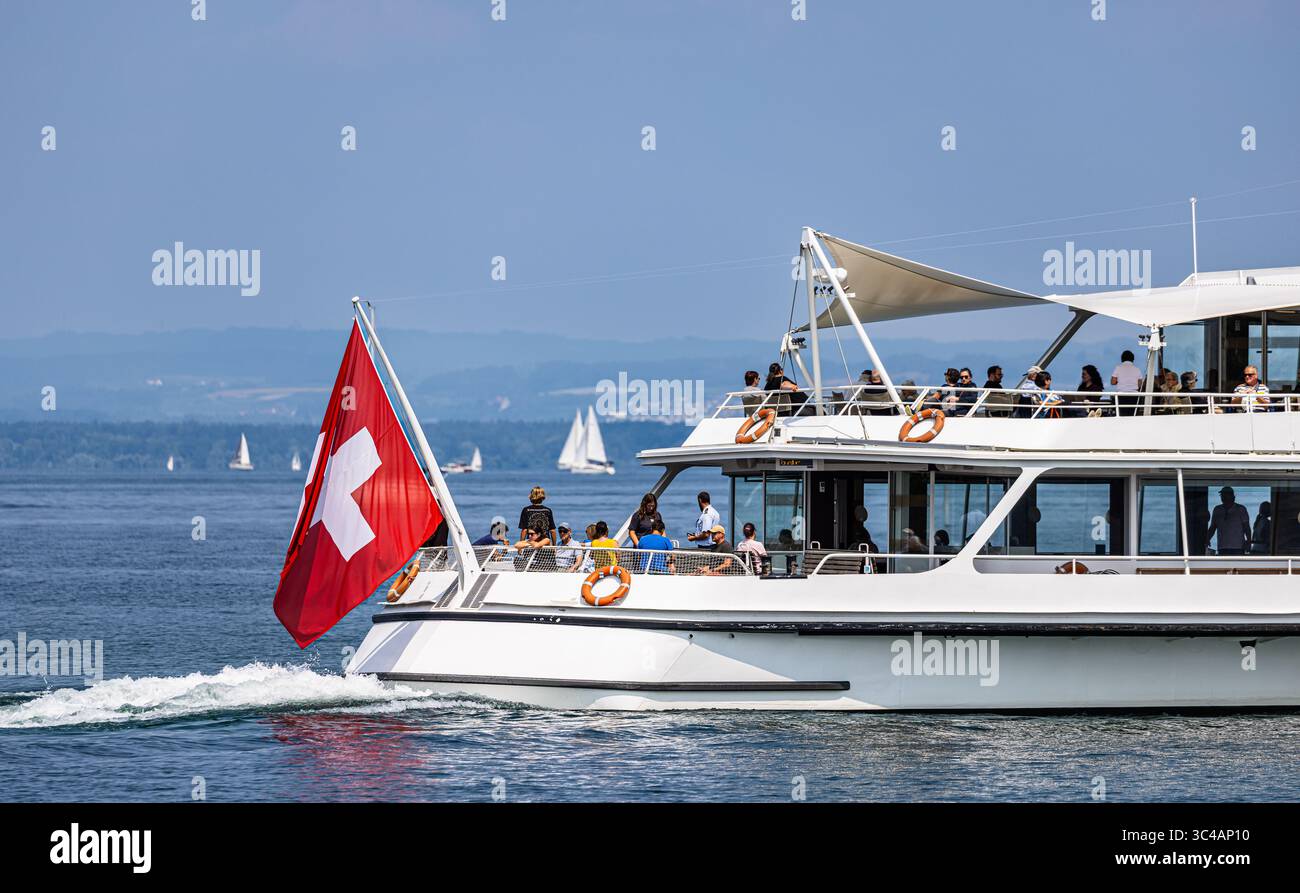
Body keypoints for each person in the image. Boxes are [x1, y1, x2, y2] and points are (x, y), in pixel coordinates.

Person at [1206, 486, 1251, 555]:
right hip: (1222, 547)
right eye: (1222, 495)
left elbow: (1246, 527)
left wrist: (1248, 542)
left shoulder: (1241, 509)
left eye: (1225, 495)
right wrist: (1207, 538)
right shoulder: (1217, 509)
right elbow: (1213, 527)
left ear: (1232, 496)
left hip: (1238, 547)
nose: (1223, 497)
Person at [1110, 350, 1144, 416]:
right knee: (1133, 416)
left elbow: (1113, 382)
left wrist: (1120, 381)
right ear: (1133, 359)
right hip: (1134, 396)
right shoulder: (1137, 369)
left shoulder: (1118, 368)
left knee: (1122, 416)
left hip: (1121, 396)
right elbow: (1140, 384)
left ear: (1122, 359)